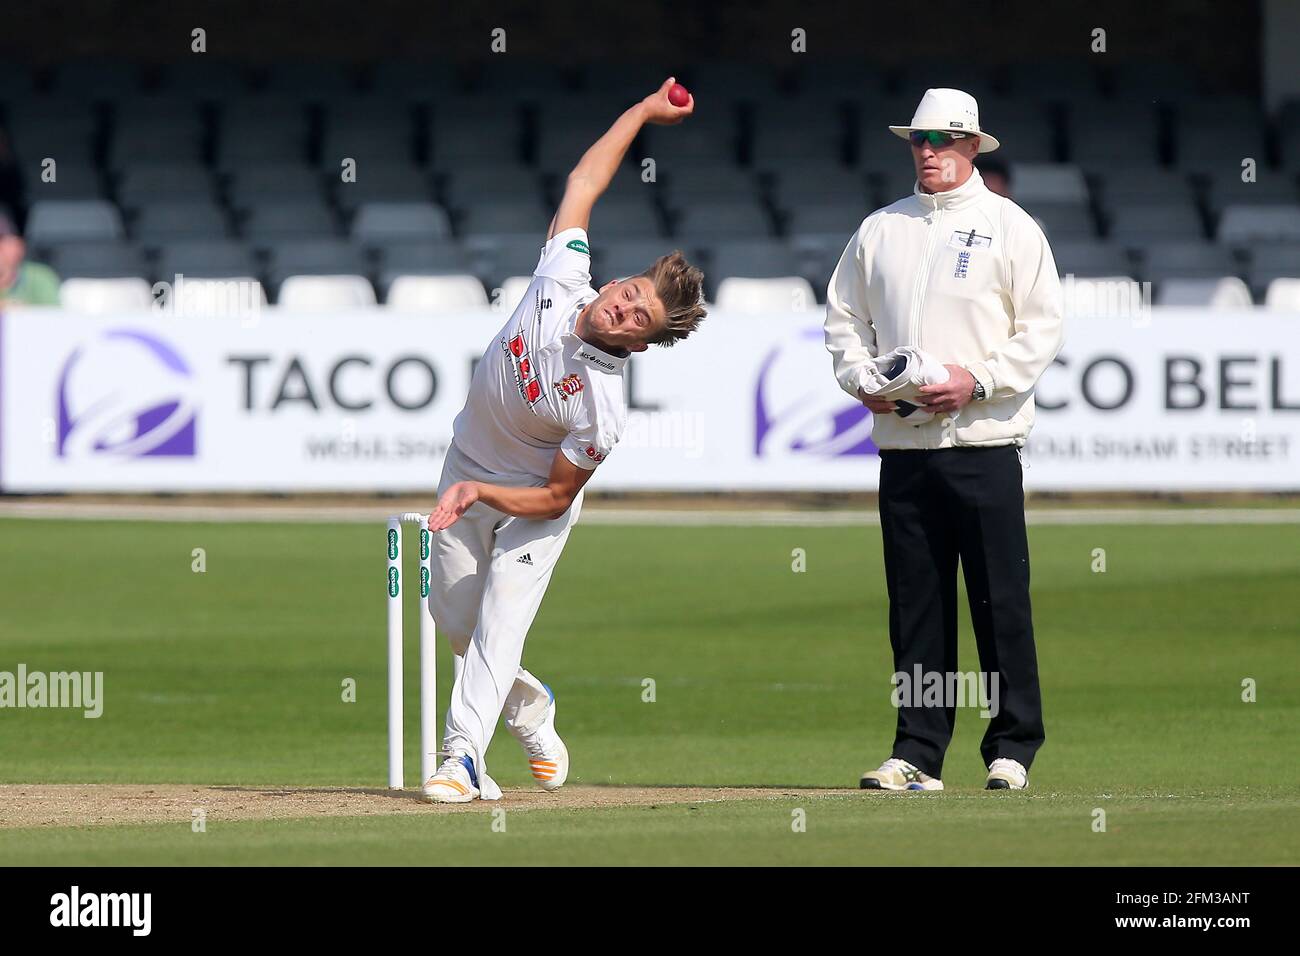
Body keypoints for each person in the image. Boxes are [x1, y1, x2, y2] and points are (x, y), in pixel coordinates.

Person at [419, 78, 707, 803]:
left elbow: (551, 496)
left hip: (527, 506)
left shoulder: (602, 407)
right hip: (467, 463)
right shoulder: (562, 273)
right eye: (630, 293)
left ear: (640, 344)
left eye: (637, 319)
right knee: (453, 619)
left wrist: (484, 492)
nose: (622, 309)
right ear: (617, 280)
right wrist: (641, 111)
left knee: (497, 619)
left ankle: (462, 759)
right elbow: (586, 178)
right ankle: (530, 707)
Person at [824, 88, 1064, 792]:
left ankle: (1012, 747)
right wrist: (858, 379)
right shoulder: (880, 229)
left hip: (985, 445)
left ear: (971, 146)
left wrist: (978, 381)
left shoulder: (1010, 226)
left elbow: (1042, 330)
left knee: (999, 602)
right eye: (919, 140)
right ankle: (918, 752)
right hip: (904, 451)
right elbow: (843, 320)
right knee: (917, 609)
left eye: (942, 140)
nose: (927, 152)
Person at [0, 209, 60, 307]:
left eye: (2, 241)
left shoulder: (39, 277)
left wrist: (21, 311)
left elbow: (53, 318)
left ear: (19, 246)